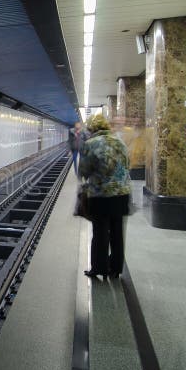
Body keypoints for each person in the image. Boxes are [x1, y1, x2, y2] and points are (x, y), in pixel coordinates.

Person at [79, 114, 131, 279]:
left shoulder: (90, 144)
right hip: (122, 195)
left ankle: (98, 268)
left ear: (92, 129)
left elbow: (83, 172)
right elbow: (127, 165)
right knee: (117, 232)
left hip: (101, 195)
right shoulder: (120, 143)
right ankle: (115, 268)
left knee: (100, 232)